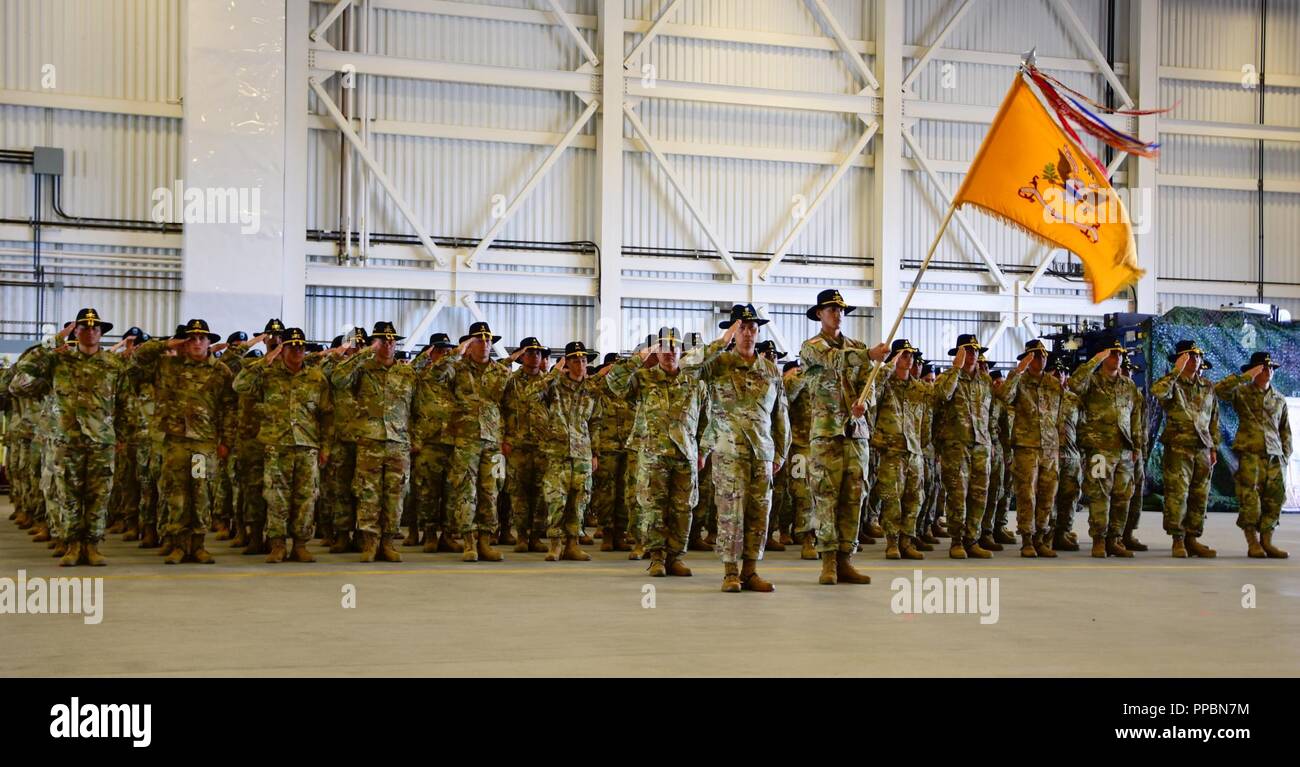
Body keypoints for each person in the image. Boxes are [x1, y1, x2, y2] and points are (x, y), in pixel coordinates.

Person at [9, 309, 129, 566]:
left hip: (101, 441)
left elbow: (125, 403)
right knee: (68, 495)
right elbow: (18, 382)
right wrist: (53, 341)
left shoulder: (114, 365)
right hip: (65, 440)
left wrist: (122, 438)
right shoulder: (57, 361)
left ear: (101, 332)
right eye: (84, 327)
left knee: (99, 496)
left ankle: (93, 546)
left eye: (95, 327)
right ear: (75, 331)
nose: (90, 331)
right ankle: (72, 545)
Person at [691, 305, 790, 592]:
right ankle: (730, 572)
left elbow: (781, 416)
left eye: (752, 328)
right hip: (728, 452)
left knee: (759, 514)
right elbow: (689, 366)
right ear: (734, 331)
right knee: (730, 513)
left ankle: (751, 571)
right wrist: (721, 343)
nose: (748, 333)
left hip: (762, 453)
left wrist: (780, 453)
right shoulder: (718, 365)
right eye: (742, 328)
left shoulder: (770, 371)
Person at [131, 319, 236, 564]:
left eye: (202, 338)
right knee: (174, 494)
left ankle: (198, 544)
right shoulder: (168, 366)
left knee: (200, 493)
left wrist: (226, 442)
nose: (197, 342)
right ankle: (178, 544)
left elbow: (229, 409)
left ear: (210, 342)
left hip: (202, 445)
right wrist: (165, 344)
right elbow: (137, 359)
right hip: (175, 442)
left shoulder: (220, 371)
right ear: (184, 342)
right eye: (192, 338)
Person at [606, 327, 707, 577]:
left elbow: (708, 420)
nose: (669, 351)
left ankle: (676, 557)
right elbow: (614, 382)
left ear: (681, 350)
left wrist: (703, 451)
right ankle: (657, 557)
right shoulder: (643, 379)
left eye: (674, 346)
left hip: (685, 455)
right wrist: (638, 358)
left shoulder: (695, 383)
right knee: (653, 508)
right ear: (656, 350)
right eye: (663, 346)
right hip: (653, 455)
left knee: (683, 509)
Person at [233, 327, 332, 563]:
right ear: (282, 348)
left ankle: (300, 545)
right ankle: (277, 545)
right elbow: (240, 385)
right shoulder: (267, 374)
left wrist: (326, 447)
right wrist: (265, 361)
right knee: (276, 498)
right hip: (276, 445)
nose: (297, 351)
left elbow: (327, 415)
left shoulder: (316, 378)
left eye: (300, 347)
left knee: (306, 498)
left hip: (307, 446)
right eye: (291, 346)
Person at [425, 322, 516, 562]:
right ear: (469, 343)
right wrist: (456, 353)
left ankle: (485, 541)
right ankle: (468, 542)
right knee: (464, 491)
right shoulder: (457, 368)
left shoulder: (502, 372)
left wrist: (509, 439)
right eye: (479, 339)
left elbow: (512, 408)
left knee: (492, 491)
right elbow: (433, 376)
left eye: (488, 340)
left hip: (494, 442)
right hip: (465, 440)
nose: (485, 344)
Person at [328, 321, 417, 562]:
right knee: (369, 494)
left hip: (398, 443)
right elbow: (338, 380)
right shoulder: (362, 368)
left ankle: (388, 542)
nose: (388, 344)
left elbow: (416, 409)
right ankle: (370, 543)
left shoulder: (406, 372)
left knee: (395, 495)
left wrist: (414, 439)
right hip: (369, 442)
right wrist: (365, 352)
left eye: (391, 340)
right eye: (382, 340)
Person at [1068, 338, 1142, 558]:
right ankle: (1099, 540)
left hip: (1124, 450)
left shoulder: (1128, 385)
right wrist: (1095, 360)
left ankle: (1115, 539)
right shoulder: (1092, 381)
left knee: (1123, 496)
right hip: (1099, 449)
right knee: (1100, 495)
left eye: (1119, 354)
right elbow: (1073, 383)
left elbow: (1135, 416)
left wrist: (1136, 445)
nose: (1117, 357)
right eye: (1112, 354)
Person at [1215, 351, 1290, 558]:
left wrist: (1285, 455)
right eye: (1263, 368)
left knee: (1275, 499)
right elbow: (1219, 390)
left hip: (1275, 456)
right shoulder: (1242, 392)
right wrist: (1247, 375)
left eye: (1271, 368)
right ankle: (1253, 542)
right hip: (1250, 454)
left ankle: (1267, 541)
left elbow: (1285, 430)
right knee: (1250, 499)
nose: (1268, 371)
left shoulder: (1279, 398)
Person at [1150, 340, 1221, 558]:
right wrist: (1175, 370)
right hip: (1179, 448)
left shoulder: (1207, 386)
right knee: (1177, 495)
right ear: (1181, 359)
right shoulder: (1172, 384)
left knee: (1200, 496)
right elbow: (1157, 392)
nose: (1195, 359)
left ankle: (1192, 538)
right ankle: (1178, 539)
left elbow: (1214, 419)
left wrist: (1214, 447)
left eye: (1197, 355)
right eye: (1189, 355)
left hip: (1202, 448)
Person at [998, 339, 1065, 557]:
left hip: (1050, 448)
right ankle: (1027, 538)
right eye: (1036, 356)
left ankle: (1041, 538)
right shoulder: (1019, 381)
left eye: (1044, 355)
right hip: (1025, 447)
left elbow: (1060, 416)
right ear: (1028, 357)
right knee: (1026, 494)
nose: (1041, 359)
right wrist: (1018, 370)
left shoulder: (1053, 384)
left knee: (1047, 495)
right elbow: (1004, 397)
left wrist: (1061, 445)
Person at [932, 334, 995, 559]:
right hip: (956, 446)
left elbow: (992, 414)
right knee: (957, 495)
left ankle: (972, 540)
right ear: (959, 353)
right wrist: (956, 369)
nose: (973, 355)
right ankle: (957, 541)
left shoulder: (985, 381)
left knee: (979, 495)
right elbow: (940, 396)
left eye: (976, 351)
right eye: (967, 350)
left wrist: (992, 441)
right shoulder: (947, 378)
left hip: (981, 445)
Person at [538, 341, 602, 561]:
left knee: (580, 499)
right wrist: (554, 372)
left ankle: (572, 544)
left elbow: (595, 421)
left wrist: (595, 453)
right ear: (566, 362)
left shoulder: (592, 389)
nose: (580, 365)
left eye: (583, 360)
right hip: (558, 452)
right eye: (575, 360)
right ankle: (555, 544)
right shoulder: (554, 386)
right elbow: (531, 395)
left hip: (583, 452)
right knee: (556, 499)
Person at [869, 339, 929, 560]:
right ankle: (892, 542)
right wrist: (888, 366)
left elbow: (927, 420)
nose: (909, 359)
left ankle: (907, 541)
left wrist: (921, 445)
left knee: (915, 498)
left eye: (911, 355)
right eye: (904, 355)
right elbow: (871, 393)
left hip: (914, 452)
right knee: (892, 498)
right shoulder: (885, 385)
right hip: (891, 451)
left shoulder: (919, 388)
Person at [409, 332, 463, 553]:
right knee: (428, 492)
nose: (444, 355)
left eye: (447, 350)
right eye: (439, 350)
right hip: (428, 441)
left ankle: (448, 535)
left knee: (452, 492)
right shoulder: (420, 373)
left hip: (452, 440)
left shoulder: (457, 374)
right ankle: (429, 534)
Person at [501, 336, 552, 553]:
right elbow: (500, 409)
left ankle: (536, 537)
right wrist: (503, 438)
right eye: (530, 353)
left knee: (540, 493)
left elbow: (555, 410)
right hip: (517, 444)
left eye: (538, 353)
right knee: (518, 493)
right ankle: (521, 535)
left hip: (542, 445)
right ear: (522, 356)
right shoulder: (510, 380)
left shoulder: (548, 382)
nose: (534, 357)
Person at [590, 353, 636, 553]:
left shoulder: (630, 389)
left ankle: (620, 534)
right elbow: (586, 386)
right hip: (606, 447)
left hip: (628, 446)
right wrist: (602, 373)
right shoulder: (600, 389)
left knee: (625, 493)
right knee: (606, 493)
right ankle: (607, 533)